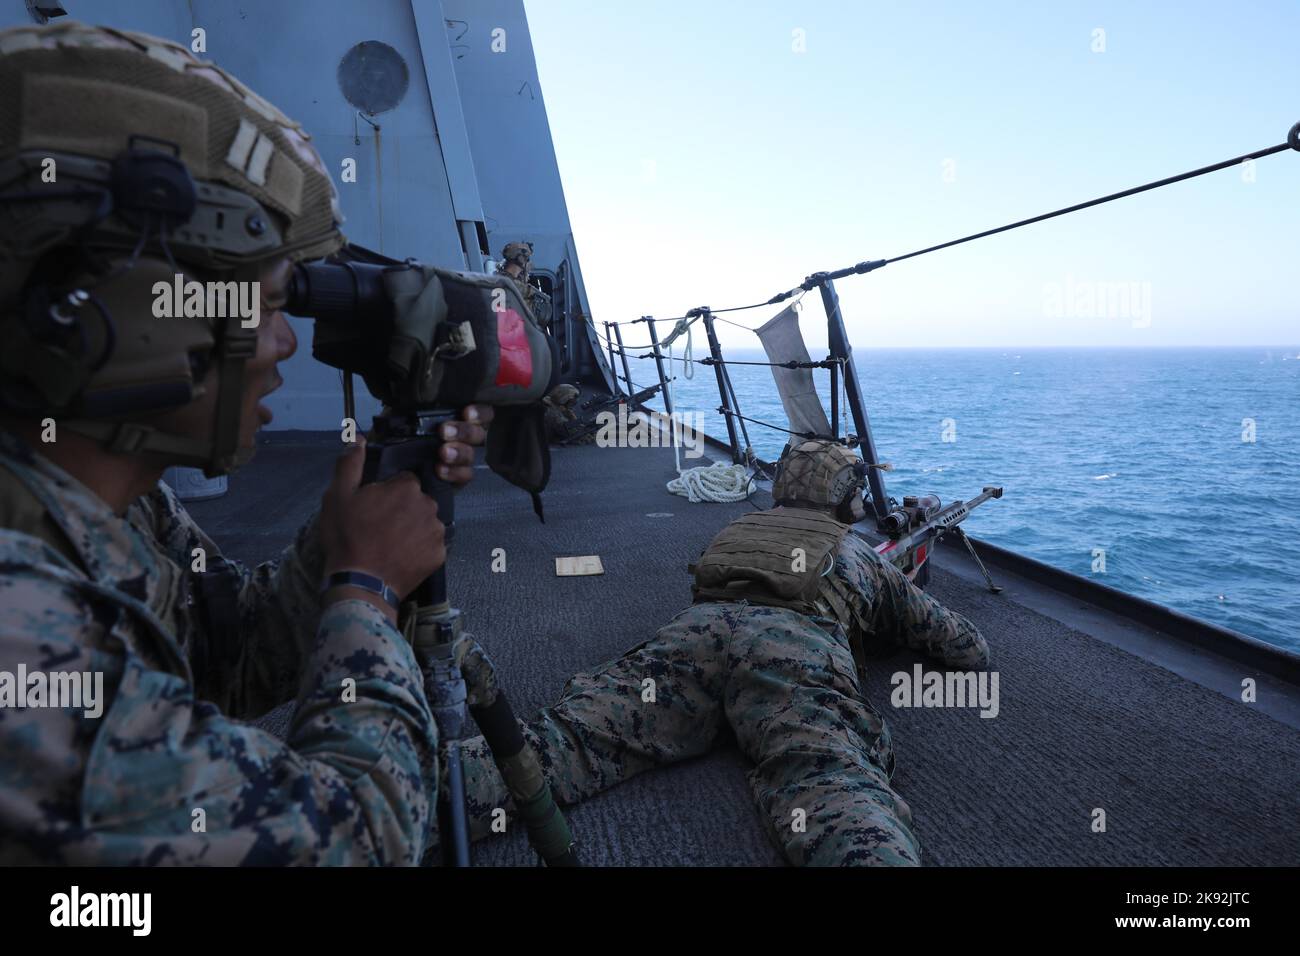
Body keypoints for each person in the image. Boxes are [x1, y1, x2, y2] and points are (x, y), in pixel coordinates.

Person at [0, 22, 491, 865]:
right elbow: (361, 841)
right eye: (262, 308)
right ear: (130, 314)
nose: (285, 345)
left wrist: (340, 543)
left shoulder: (106, 501)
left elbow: (229, 656)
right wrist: (368, 593)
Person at [457, 439, 990, 865]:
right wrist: (887, 600)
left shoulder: (737, 528)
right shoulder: (854, 551)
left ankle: (403, 799)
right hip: (793, 650)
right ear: (850, 498)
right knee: (826, 778)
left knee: (571, 737)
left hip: (695, 636)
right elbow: (964, 646)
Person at [494, 241, 550, 329]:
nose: (529, 263)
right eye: (527, 259)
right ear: (521, 260)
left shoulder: (499, 278)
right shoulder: (509, 283)